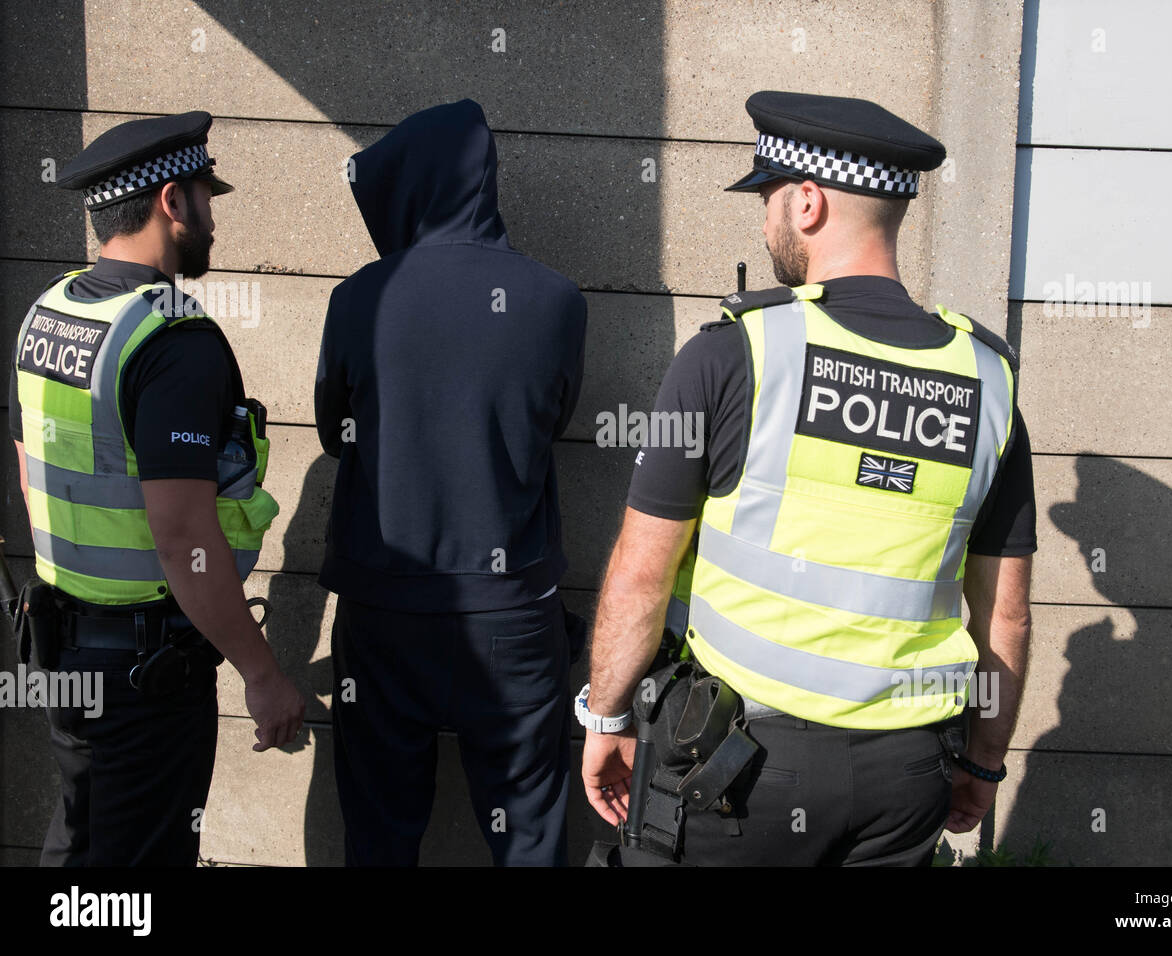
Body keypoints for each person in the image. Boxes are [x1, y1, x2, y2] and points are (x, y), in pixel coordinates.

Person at [580, 91, 1036, 866]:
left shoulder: (732, 356)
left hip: (740, 772)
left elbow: (641, 571)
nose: (765, 221)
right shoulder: (987, 383)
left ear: (809, 202)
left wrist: (607, 716)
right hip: (906, 775)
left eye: (768, 198)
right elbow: (1006, 617)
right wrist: (983, 761)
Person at [9, 110, 306, 866]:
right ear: (172, 201)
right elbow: (185, 541)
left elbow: (33, 472)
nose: (214, 219)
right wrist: (263, 674)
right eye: (207, 198)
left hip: (64, 654)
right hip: (143, 678)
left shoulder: (51, 311)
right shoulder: (172, 341)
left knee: (84, 847)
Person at [315, 100, 587, 866]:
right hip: (513, 619)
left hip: (383, 612)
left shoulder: (358, 300)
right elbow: (552, 422)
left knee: (379, 835)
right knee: (530, 841)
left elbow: (337, 432)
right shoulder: (556, 300)